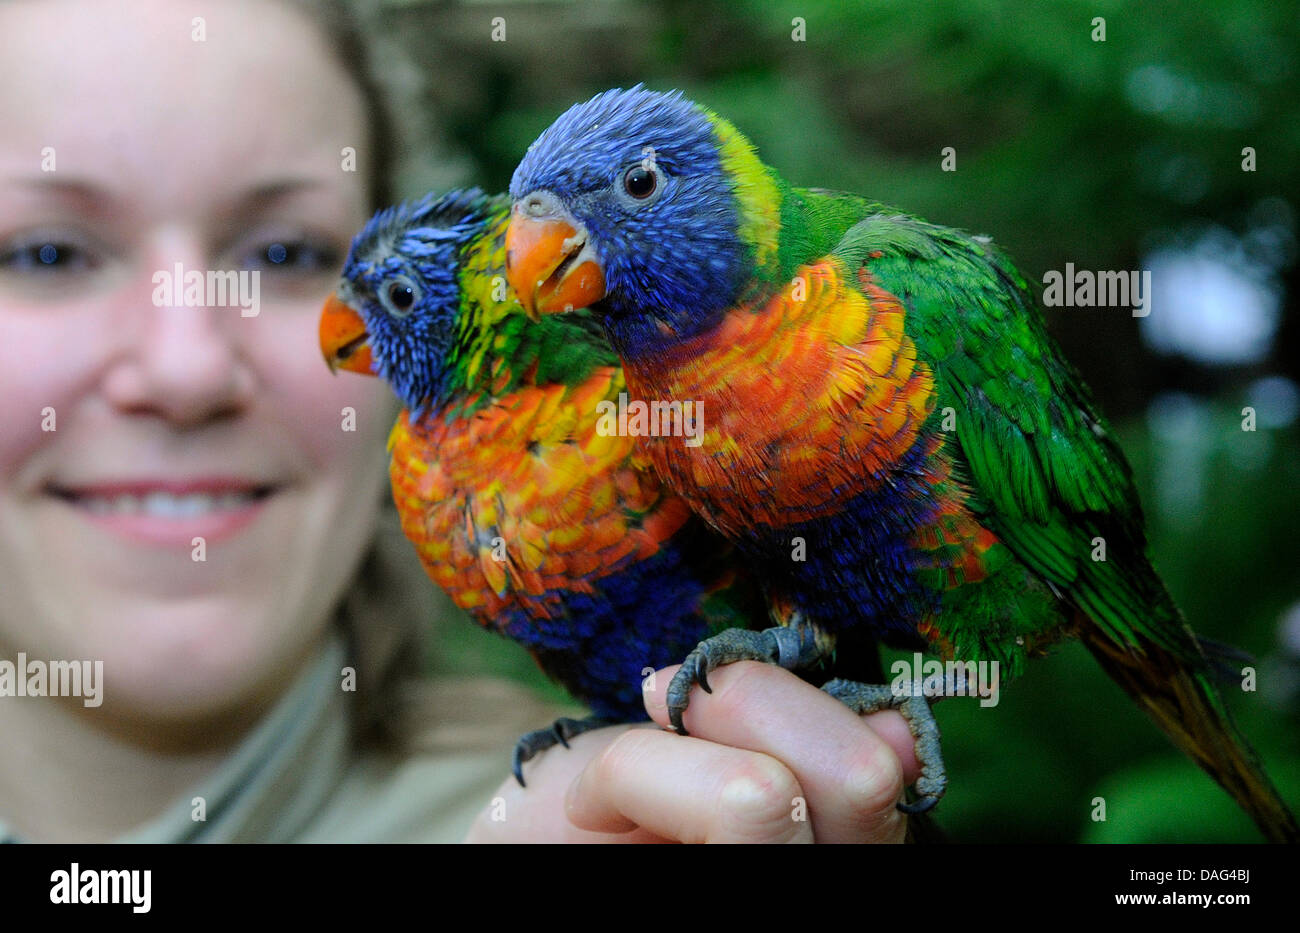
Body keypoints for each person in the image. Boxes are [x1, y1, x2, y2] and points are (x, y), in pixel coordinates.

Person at [0, 0, 921, 843]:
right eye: (48, 252)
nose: (186, 368)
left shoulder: (645, 429)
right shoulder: (440, 478)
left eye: (284, 250)